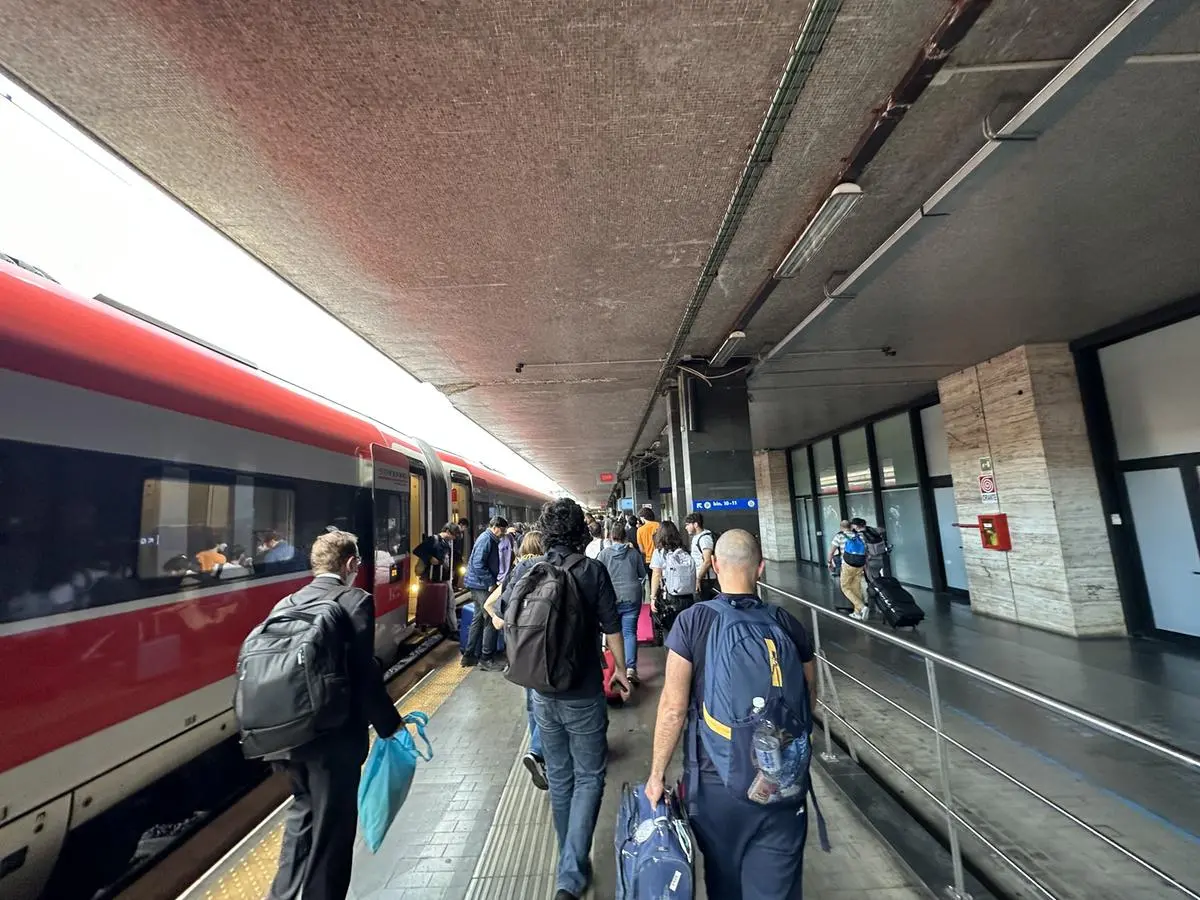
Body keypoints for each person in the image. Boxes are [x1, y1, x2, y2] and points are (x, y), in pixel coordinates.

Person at [646, 530, 817, 900]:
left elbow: (673, 708)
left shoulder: (693, 622)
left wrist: (656, 775)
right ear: (761, 568)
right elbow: (808, 699)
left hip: (716, 785)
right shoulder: (788, 624)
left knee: (724, 884)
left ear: (715, 565)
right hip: (782, 785)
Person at [497, 499, 629, 900]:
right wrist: (621, 671)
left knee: (559, 777)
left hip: (541, 692)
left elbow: (501, 614)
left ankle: (569, 864)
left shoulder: (528, 570)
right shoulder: (592, 570)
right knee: (589, 776)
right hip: (583, 691)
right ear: (581, 532)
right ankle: (570, 874)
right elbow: (613, 627)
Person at [267, 531, 403, 900]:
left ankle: (281, 895)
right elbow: (362, 674)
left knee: (302, 817)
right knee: (333, 831)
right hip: (333, 737)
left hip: (287, 733)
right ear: (351, 564)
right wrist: (390, 725)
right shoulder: (355, 600)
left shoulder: (287, 602)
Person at [485, 530, 549, 790]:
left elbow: (492, 608)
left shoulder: (516, 572)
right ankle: (537, 751)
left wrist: (503, 621)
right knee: (546, 702)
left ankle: (538, 752)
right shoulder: (550, 570)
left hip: (519, 650)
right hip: (544, 648)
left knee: (532, 704)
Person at [596, 523, 648, 685]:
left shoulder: (603, 555)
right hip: (632, 596)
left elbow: (597, 576)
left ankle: (618, 668)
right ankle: (631, 669)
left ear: (611, 537)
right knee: (629, 632)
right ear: (625, 536)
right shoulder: (633, 554)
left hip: (611, 598)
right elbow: (642, 574)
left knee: (613, 632)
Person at [462, 516, 508, 670]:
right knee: (490, 616)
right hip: (480, 585)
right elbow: (478, 564)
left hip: (477, 584)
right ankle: (486, 658)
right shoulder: (487, 539)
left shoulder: (489, 538)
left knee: (478, 618)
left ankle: (469, 656)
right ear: (495, 527)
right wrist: (490, 582)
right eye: (502, 531)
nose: (503, 534)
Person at [649, 520, 696, 637]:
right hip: (687, 595)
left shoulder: (659, 552)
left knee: (671, 632)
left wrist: (653, 597)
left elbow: (656, 574)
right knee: (687, 630)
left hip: (670, 597)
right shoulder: (684, 550)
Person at [413, 523, 459, 636]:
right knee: (438, 603)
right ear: (447, 531)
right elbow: (417, 550)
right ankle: (449, 629)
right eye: (453, 535)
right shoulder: (432, 540)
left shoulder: (446, 543)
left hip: (442, 578)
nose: (454, 538)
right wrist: (430, 558)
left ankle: (449, 628)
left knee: (448, 603)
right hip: (432, 578)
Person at [684, 512, 718, 602]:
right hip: (701, 578)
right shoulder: (697, 537)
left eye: (688, 524)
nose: (686, 527)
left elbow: (707, 561)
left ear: (695, 524)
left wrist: (698, 579)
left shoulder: (704, 538)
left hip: (705, 579)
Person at [840, 518, 869, 620]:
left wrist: (829, 561)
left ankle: (861, 607)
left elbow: (832, 551)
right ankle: (857, 613)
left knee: (845, 587)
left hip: (848, 565)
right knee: (856, 588)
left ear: (841, 527)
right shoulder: (860, 536)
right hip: (859, 564)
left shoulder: (840, 536)